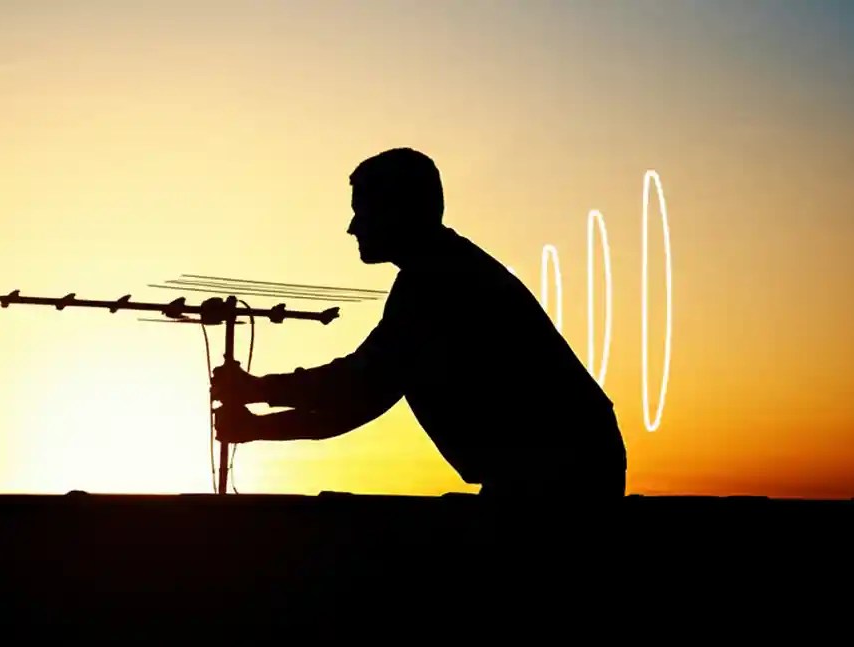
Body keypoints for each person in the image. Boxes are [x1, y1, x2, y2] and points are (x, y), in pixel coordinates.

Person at [211, 148, 627, 500]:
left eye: (362, 212)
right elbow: (360, 398)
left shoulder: (441, 280)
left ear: (398, 211)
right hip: (555, 467)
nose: (353, 227)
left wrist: (258, 393)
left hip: (557, 473)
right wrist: (257, 418)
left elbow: (359, 388)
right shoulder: (436, 272)